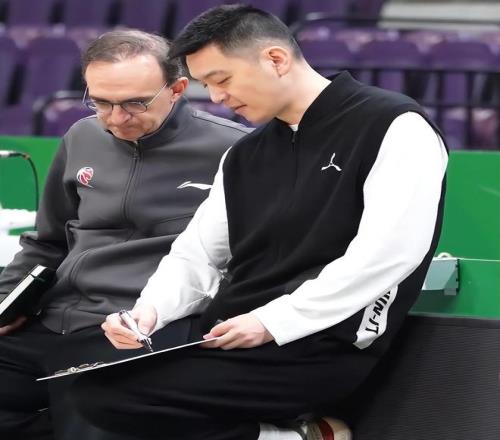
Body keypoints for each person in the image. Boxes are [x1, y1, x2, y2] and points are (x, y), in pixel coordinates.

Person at [72, 5, 449, 440]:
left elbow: (389, 254)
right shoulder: (245, 154)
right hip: (229, 333)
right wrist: (150, 312)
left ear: (275, 59)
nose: (217, 98)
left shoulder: (394, 125)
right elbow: (197, 253)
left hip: (321, 343)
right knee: (86, 376)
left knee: (109, 397)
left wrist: (273, 321)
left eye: (222, 79)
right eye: (207, 85)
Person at [0, 28, 249, 440]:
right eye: (101, 102)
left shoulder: (236, 150)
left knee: (95, 415)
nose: (116, 119)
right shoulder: (82, 136)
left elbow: (250, 260)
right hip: (53, 317)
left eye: (135, 103)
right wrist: (7, 301)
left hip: (141, 326)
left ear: (177, 89)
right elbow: (47, 241)